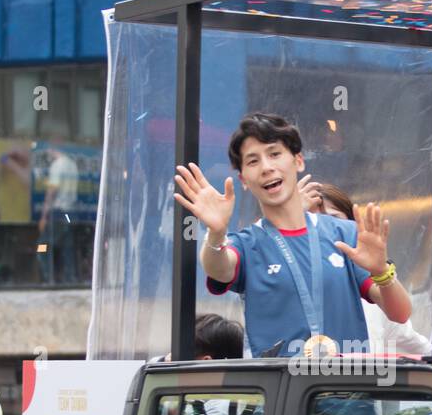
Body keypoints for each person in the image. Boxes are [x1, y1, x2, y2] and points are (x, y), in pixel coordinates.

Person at [174, 112, 412, 358]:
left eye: (275, 154)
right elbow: (218, 268)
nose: (267, 167)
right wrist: (216, 233)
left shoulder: (344, 232)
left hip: (348, 391)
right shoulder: (246, 244)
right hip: (282, 393)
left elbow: (400, 314)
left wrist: (382, 272)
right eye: (253, 161)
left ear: (298, 161)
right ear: (244, 179)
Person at [301, 178, 432, 357]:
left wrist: (382, 272)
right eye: (310, 220)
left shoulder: (371, 292)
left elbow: (419, 348)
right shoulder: (281, 277)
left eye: (333, 220)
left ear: (353, 225)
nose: (324, 229)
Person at [39, 141, 81, 284]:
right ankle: (70, 278)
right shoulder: (72, 165)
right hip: (70, 213)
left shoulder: (57, 166)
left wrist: (44, 215)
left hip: (59, 213)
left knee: (43, 246)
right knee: (67, 247)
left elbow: (52, 191)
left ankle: (48, 277)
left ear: (52, 149)